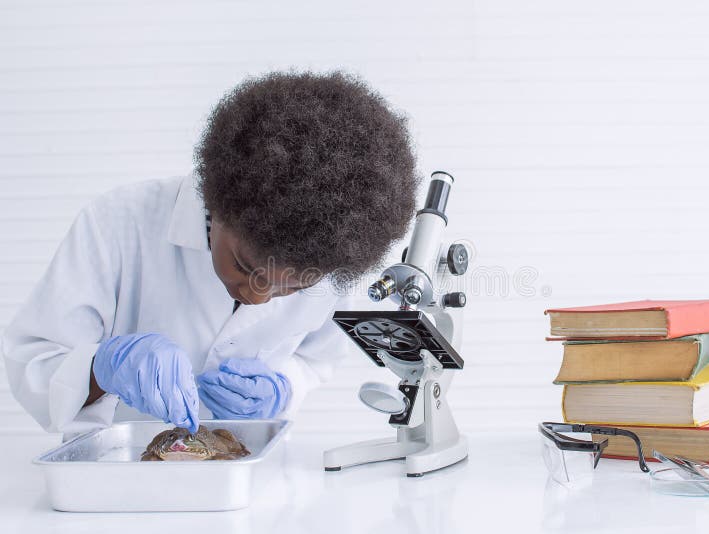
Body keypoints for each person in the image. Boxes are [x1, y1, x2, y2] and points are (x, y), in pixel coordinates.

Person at [1, 71, 419, 435]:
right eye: (245, 266)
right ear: (216, 202)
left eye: (292, 287)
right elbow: (34, 364)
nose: (257, 296)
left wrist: (283, 387)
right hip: (119, 478)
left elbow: (317, 357)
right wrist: (104, 368)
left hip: (252, 480)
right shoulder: (117, 224)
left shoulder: (329, 253)